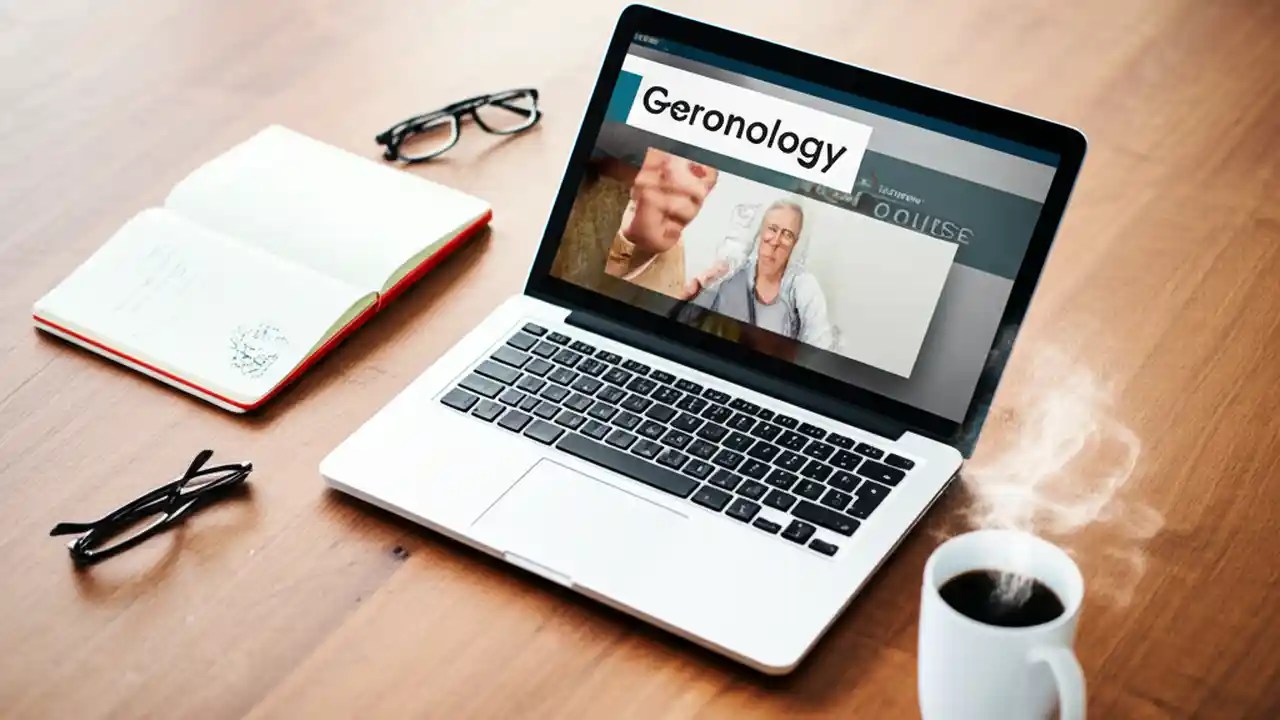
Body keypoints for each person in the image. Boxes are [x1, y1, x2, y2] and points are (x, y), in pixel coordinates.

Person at [686, 199, 835, 351]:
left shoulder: (803, 285)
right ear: (761, 232)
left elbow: (819, 347)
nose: (776, 241)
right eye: (772, 229)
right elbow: (686, 320)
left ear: (795, 243)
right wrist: (702, 283)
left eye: (787, 235)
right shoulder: (732, 274)